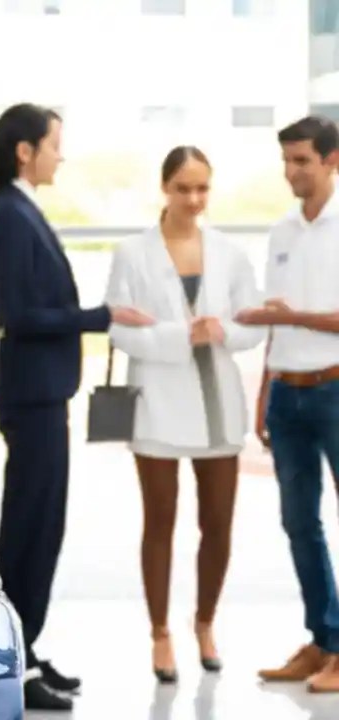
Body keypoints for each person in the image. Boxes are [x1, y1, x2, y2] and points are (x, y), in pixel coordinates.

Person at [0, 102, 152, 712]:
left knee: (41, 527)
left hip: (41, 392)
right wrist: (101, 317)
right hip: (31, 395)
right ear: (25, 151)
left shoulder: (20, 209)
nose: (61, 155)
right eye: (54, 145)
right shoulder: (10, 215)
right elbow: (20, 315)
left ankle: (23, 648)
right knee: (29, 529)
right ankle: (10, 660)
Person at [103, 146, 266, 683]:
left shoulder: (230, 253)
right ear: (164, 188)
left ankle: (205, 623)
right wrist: (180, 336)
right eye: (183, 189)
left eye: (202, 189)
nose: (194, 200)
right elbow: (120, 329)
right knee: (159, 523)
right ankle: (160, 633)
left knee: (217, 523)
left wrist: (222, 331)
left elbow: (253, 324)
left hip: (217, 405)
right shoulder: (133, 253)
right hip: (157, 405)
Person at [236, 116, 339, 693]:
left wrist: (290, 316)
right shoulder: (280, 232)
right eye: (286, 160)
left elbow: (289, 315)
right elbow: (275, 324)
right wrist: (264, 390)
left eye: (302, 160)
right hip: (287, 395)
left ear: (332, 160)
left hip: (336, 389)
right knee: (299, 522)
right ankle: (325, 639)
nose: (291, 171)